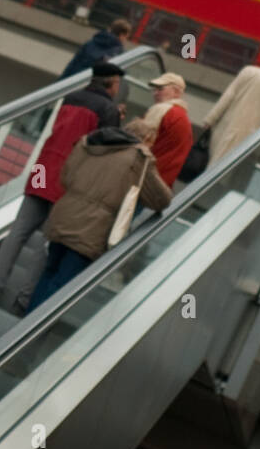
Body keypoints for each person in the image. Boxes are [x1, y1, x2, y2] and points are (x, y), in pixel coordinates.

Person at [0, 62, 123, 312]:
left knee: (19, 231)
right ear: (111, 83)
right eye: (118, 83)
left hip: (43, 166)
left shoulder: (71, 96)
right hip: (68, 180)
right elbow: (103, 152)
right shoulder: (108, 110)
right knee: (47, 241)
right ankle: (23, 300)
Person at [26, 118, 172, 310]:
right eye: (151, 143)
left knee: (49, 271)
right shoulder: (138, 158)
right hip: (92, 230)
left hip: (63, 217)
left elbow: (65, 178)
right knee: (63, 286)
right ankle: (34, 331)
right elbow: (162, 199)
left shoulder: (89, 142)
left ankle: (26, 322)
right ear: (145, 139)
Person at [201, 51, 260, 165]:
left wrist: (210, 120)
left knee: (212, 163)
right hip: (248, 139)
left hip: (225, 126)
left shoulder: (248, 71)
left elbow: (228, 97)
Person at [144, 72, 193, 185]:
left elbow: (141, 142)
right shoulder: (183, 117)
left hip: (145, 178)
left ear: (176, 92)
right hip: (162, 183)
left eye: (160, 89)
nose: (155, 93)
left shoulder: (162, 109)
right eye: (154, 89)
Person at [60, 18, 131, 78]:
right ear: (122, 35)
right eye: (126, 38)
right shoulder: (118, 52)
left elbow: (73, 63)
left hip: (72, 78)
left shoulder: (91, 42)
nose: (125, 41)